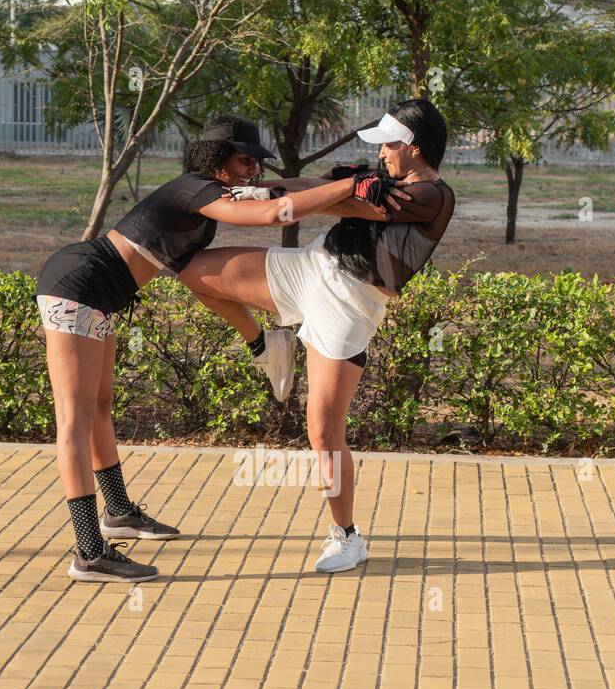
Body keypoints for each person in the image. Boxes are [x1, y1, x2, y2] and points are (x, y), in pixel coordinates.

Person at [35, 115, 397, 583]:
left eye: (254, 162)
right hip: (78, 284)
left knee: (100, 407)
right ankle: (88, 550)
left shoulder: (215, 192)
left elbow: (280, 191)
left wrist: (338, 181)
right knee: (75, 419)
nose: (252, 169)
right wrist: (352, 189)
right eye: (244, 160)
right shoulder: (195, 189)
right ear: (216, 160)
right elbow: (274, 214)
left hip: (103, 293)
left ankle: (118, 512)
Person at [178, 99, 455, 574]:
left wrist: (325, 189)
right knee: (195, 270)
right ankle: (267, 345)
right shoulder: (383, 177)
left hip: (349, 303)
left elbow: (346, 203)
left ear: (415, 148)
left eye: (391, 143)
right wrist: (253, 190)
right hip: (312, 266)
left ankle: (347, 537)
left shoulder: (434, 196)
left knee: (323, 430)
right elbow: (315, 187)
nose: (384, 152)